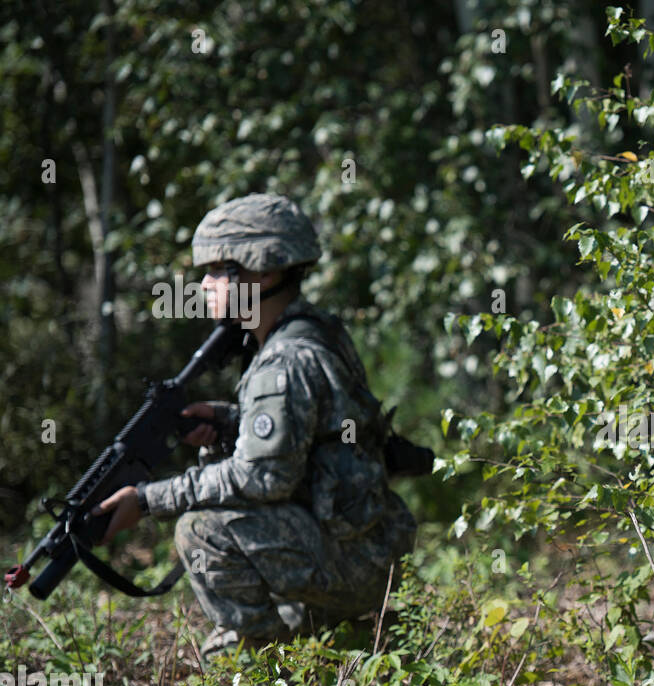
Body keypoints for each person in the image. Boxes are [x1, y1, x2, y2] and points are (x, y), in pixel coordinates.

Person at [94, 193, 416, 652]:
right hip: (372, 545)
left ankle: (260, 660)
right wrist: (233, 422)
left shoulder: (282, 361)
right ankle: (336, 632)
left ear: (264, 270)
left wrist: (147, 500)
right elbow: (318, 433)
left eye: (216, 271)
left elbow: (263, 478)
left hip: (357, 562)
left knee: (200, 529)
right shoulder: (315, 331)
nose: (203, 286)